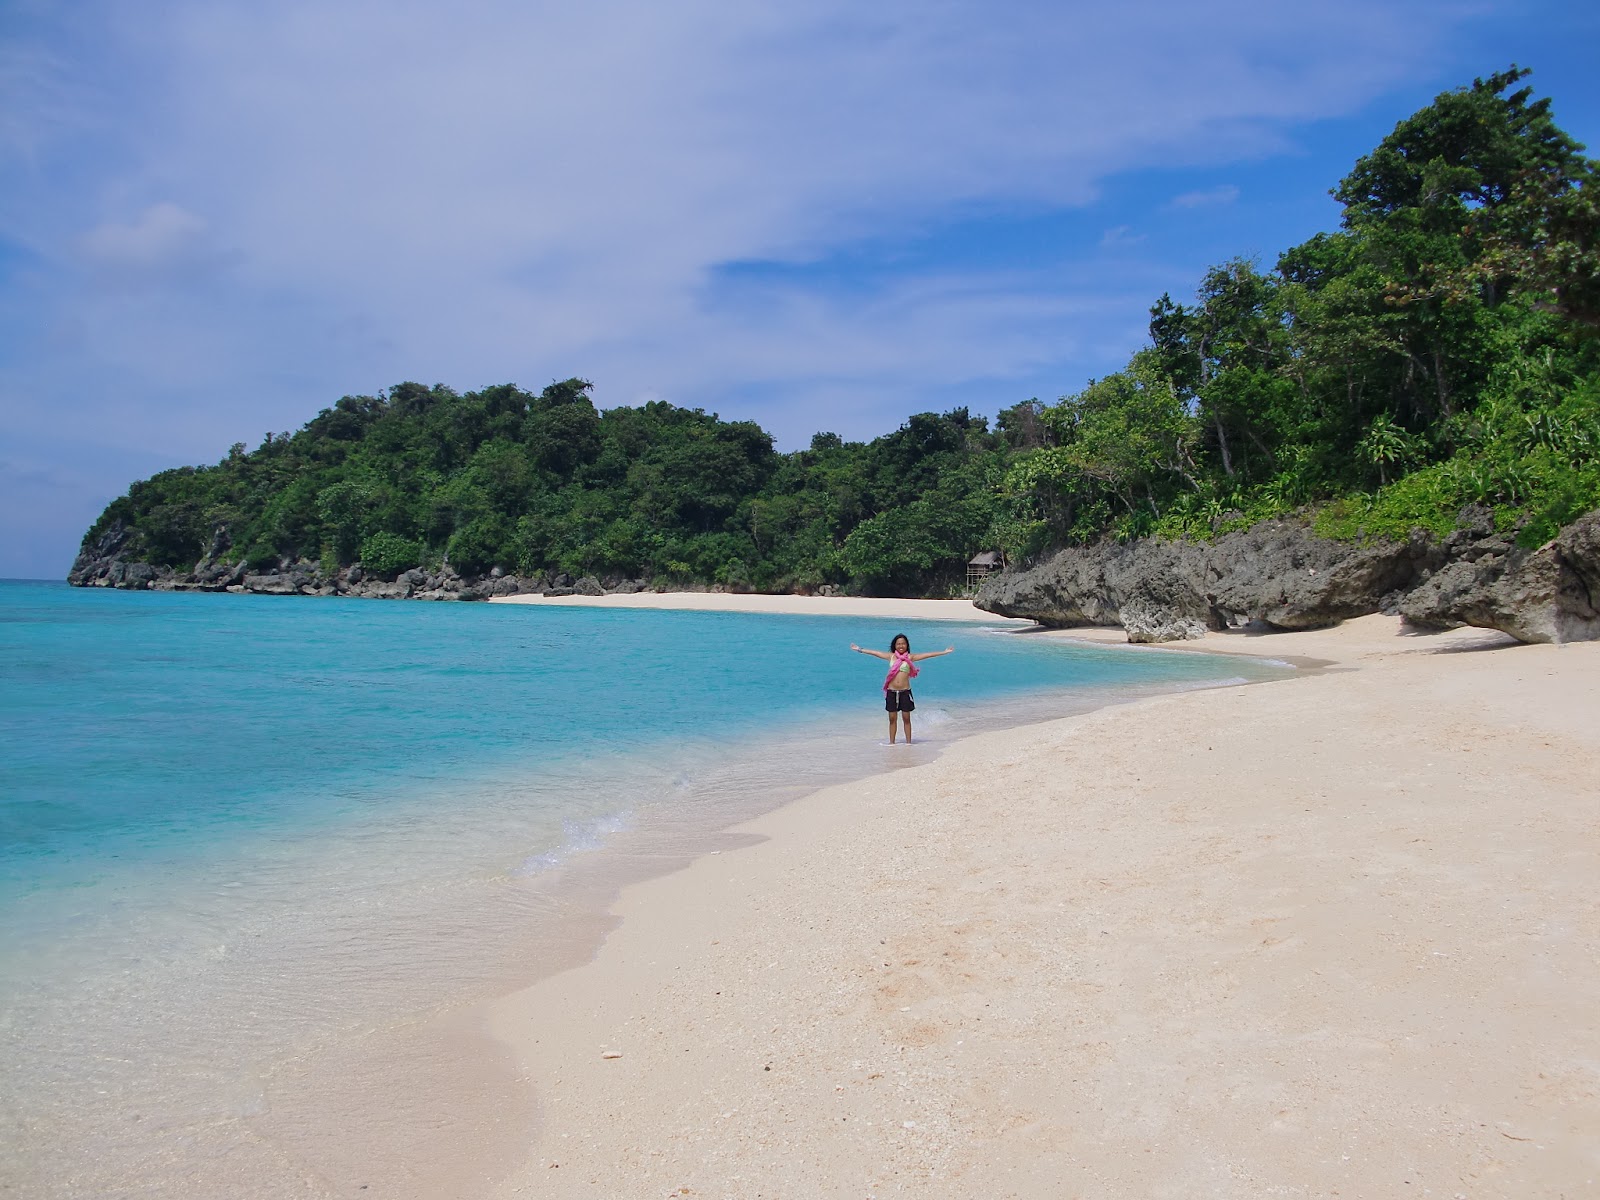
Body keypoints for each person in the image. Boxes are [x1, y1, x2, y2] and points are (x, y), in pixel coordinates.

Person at [849, 634, 954, 745]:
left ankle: (909, 743)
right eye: (898, 643)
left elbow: (928, 655)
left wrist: (944, 652)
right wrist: (859, 649)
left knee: (906, 718)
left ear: (907, 645)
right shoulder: (891, 657)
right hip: (891, 692)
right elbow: (875, 653)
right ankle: (892, 743)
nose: (901, 645)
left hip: (905, 692)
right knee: (892, 719)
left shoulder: (910, 657)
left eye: (903, 643)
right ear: (895, 645)